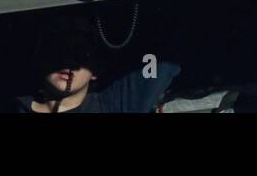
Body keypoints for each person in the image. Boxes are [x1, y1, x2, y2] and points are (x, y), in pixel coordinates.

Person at [16, 16, 179, 114]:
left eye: (81, 53)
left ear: (96, 69)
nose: (70, 61)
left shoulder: (114, 105)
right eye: (60, 50)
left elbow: (163, 50)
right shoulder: (8, 105)